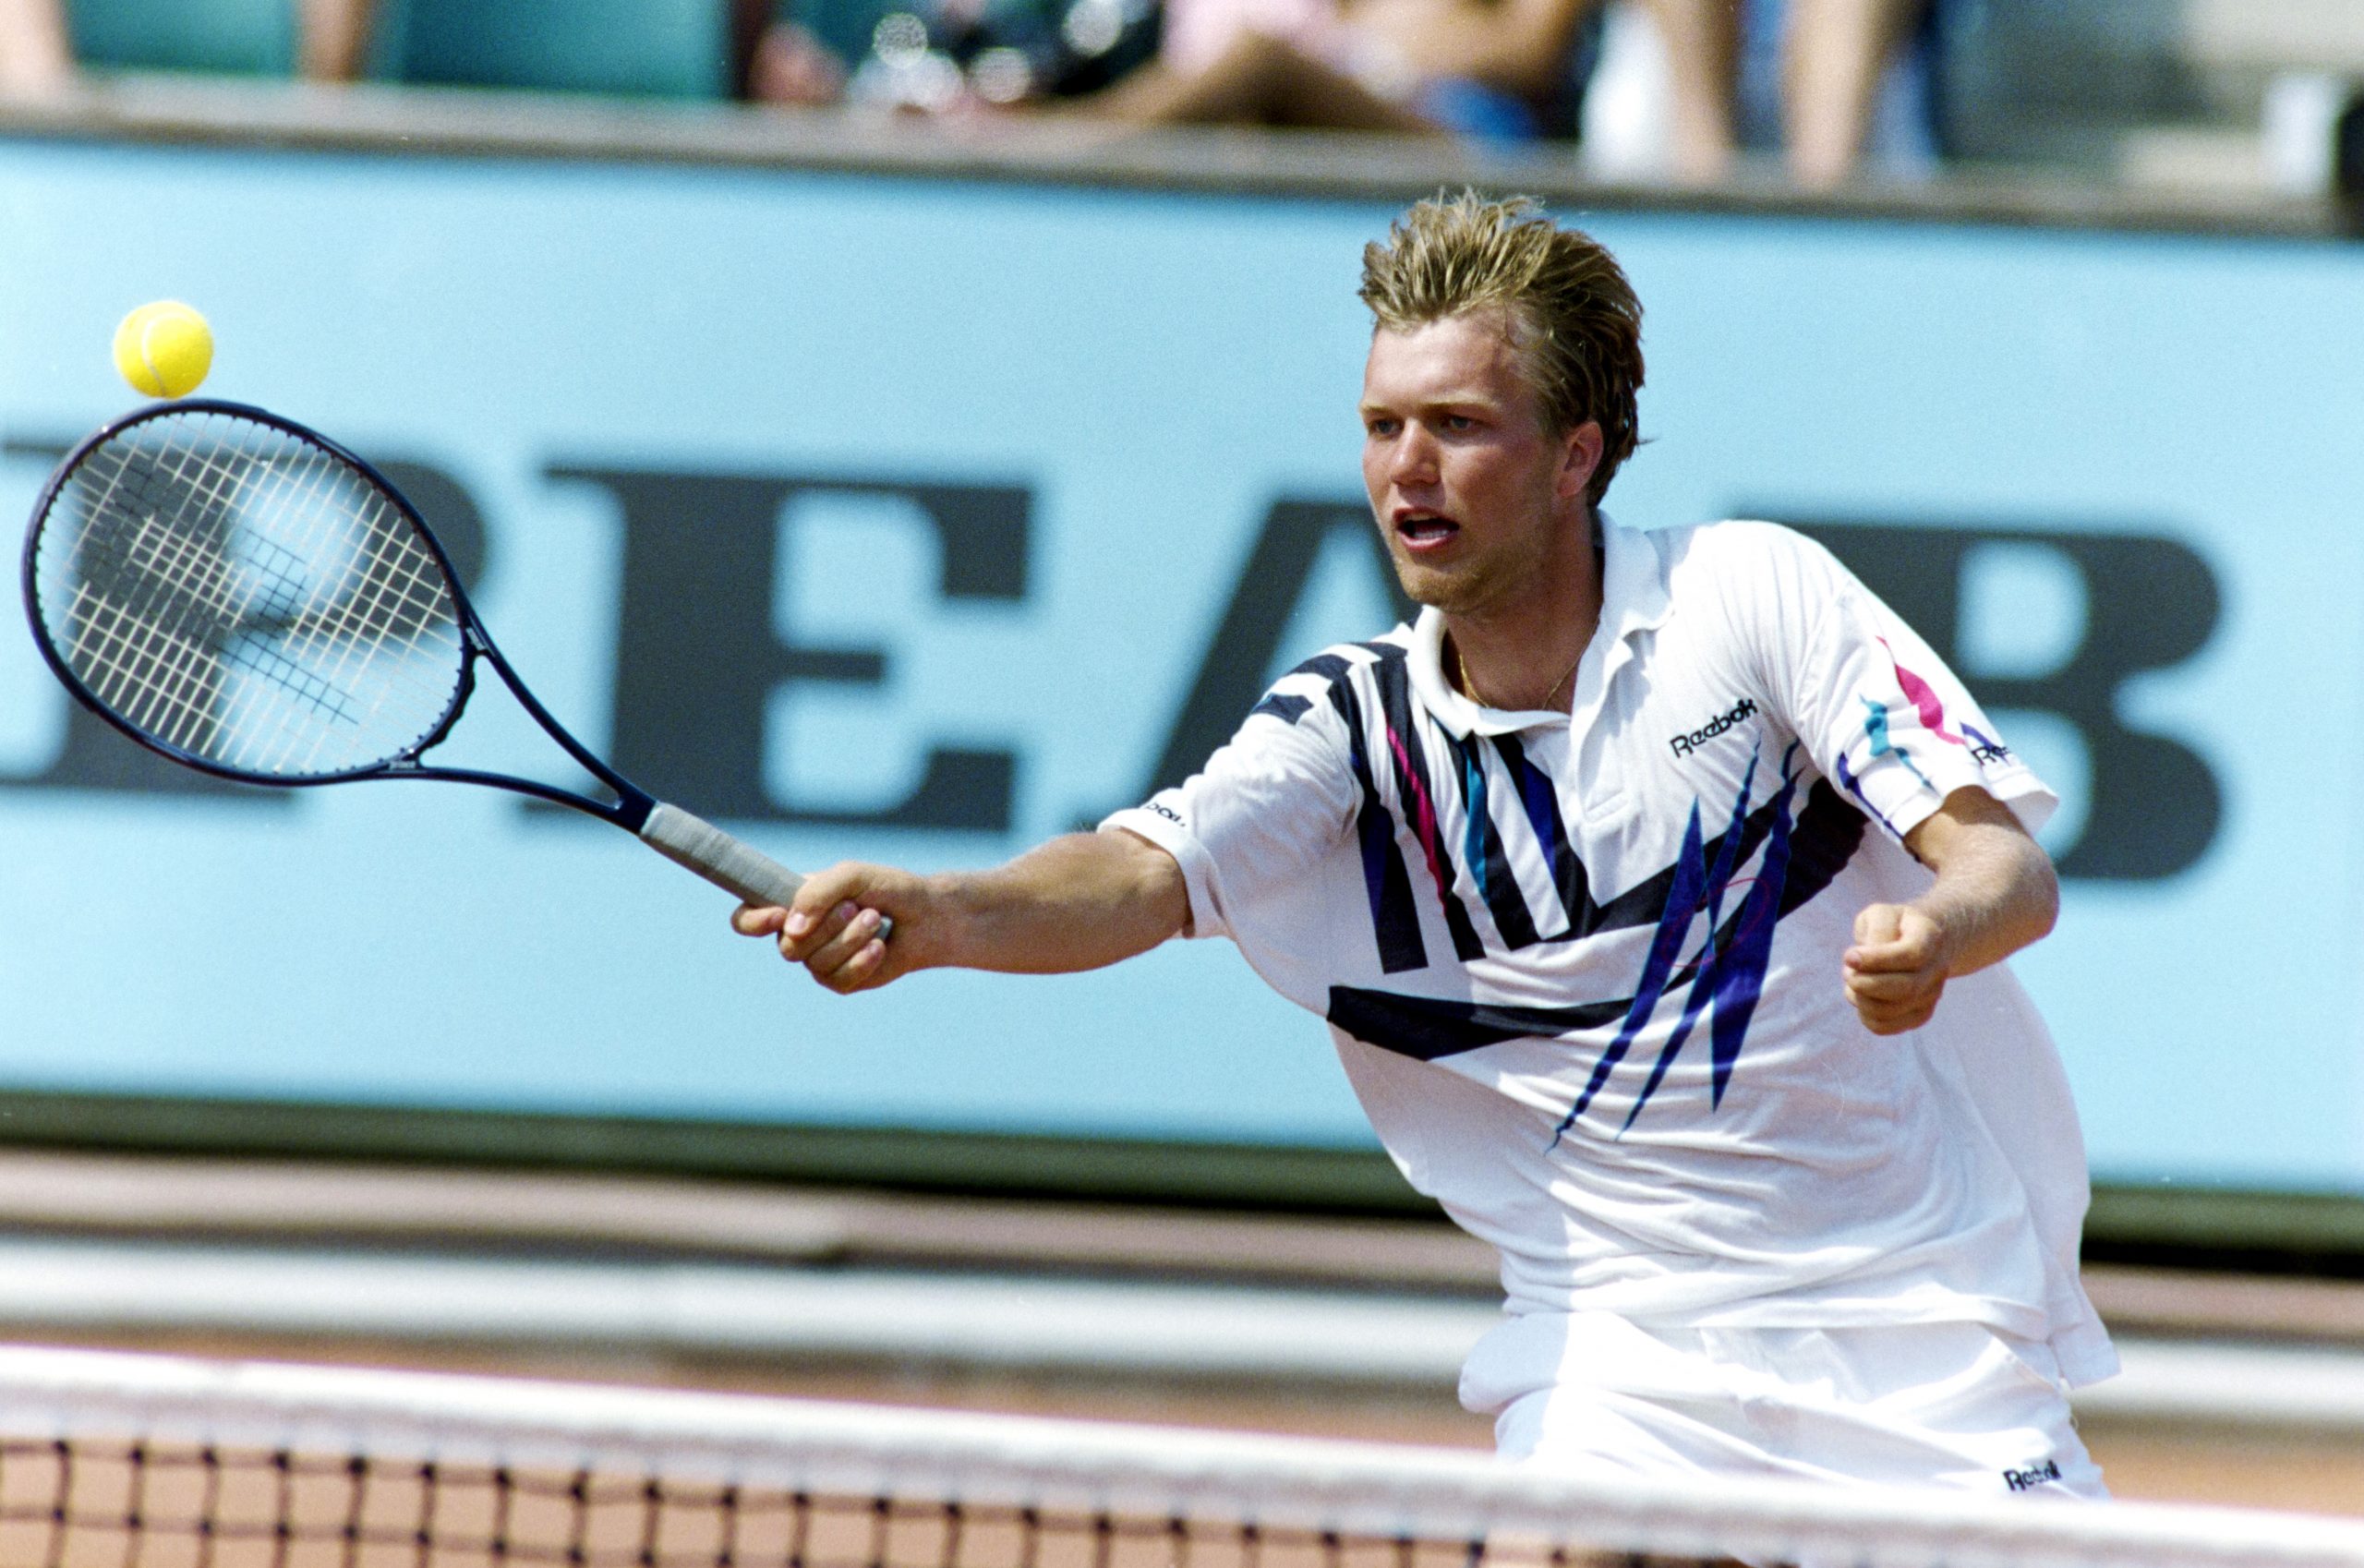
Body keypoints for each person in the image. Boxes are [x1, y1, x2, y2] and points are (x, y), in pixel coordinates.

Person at [732, 190, 2117, 1495]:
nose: (1406, 468)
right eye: (1382, 424)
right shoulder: (1349, 723)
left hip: (1924, 1324)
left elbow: (2005, 865)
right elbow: (1144, 874)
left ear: (1576, 454)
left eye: (1457, 423)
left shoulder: (1749, 593)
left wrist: (1936, 929)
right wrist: (950, 913)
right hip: (1622, 1353)